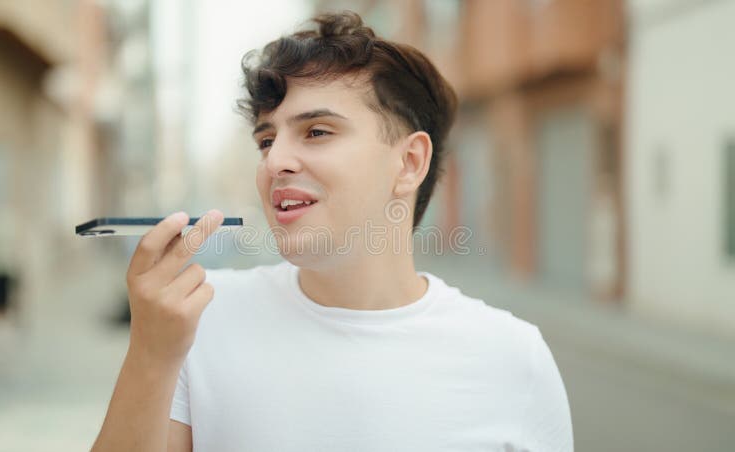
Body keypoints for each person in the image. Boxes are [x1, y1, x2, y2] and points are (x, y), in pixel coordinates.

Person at [91, 11, 573, 452]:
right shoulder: (199, 320)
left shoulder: (513, 358)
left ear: (409, 163)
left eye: (317, 131)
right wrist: (151, 356)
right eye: (266, 139)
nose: (274, 161)